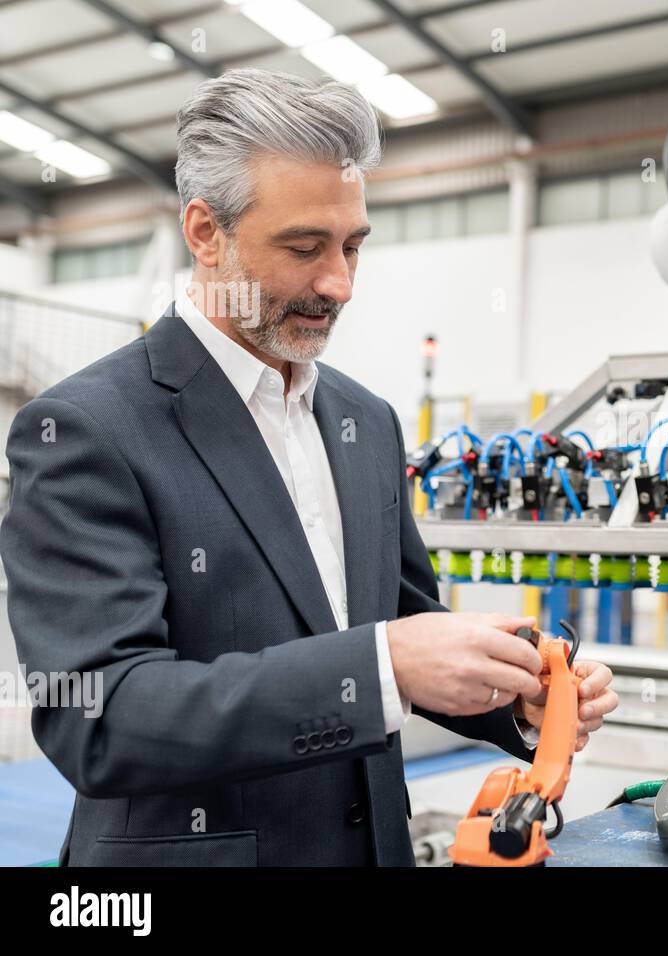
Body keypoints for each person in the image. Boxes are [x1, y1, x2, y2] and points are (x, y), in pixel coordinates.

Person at [0, 68, 617, 866]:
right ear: (204, 231)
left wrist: (517, 696)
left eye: (353, 245)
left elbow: (407, 624)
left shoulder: (365, 420)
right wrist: (378, 666)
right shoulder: (86, 429)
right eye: (304, 247)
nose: (340, 283)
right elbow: (99, 715)